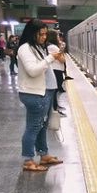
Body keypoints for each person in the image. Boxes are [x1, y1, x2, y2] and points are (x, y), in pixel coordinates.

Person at [17, 19, 65, 171]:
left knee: (42, 126)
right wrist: (51, 58)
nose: (44, 37)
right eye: (41, 34)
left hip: (45, 91)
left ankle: (43, 155)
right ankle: (28, 161)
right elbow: (33, 70)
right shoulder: (25, 49)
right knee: (33, 127)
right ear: (32, 33)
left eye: (45, 34)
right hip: (34, 93)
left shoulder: (36, 47)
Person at [46, 29, 66, 116]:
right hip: (56, 70)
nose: (59, 37)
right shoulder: (53, 47)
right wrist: (61, 51)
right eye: (57, 36)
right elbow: (62, 60)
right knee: (54, 91)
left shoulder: (51, 46)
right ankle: (54, 111)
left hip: (56, 70)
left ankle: (55, 107)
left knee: (55, 91)